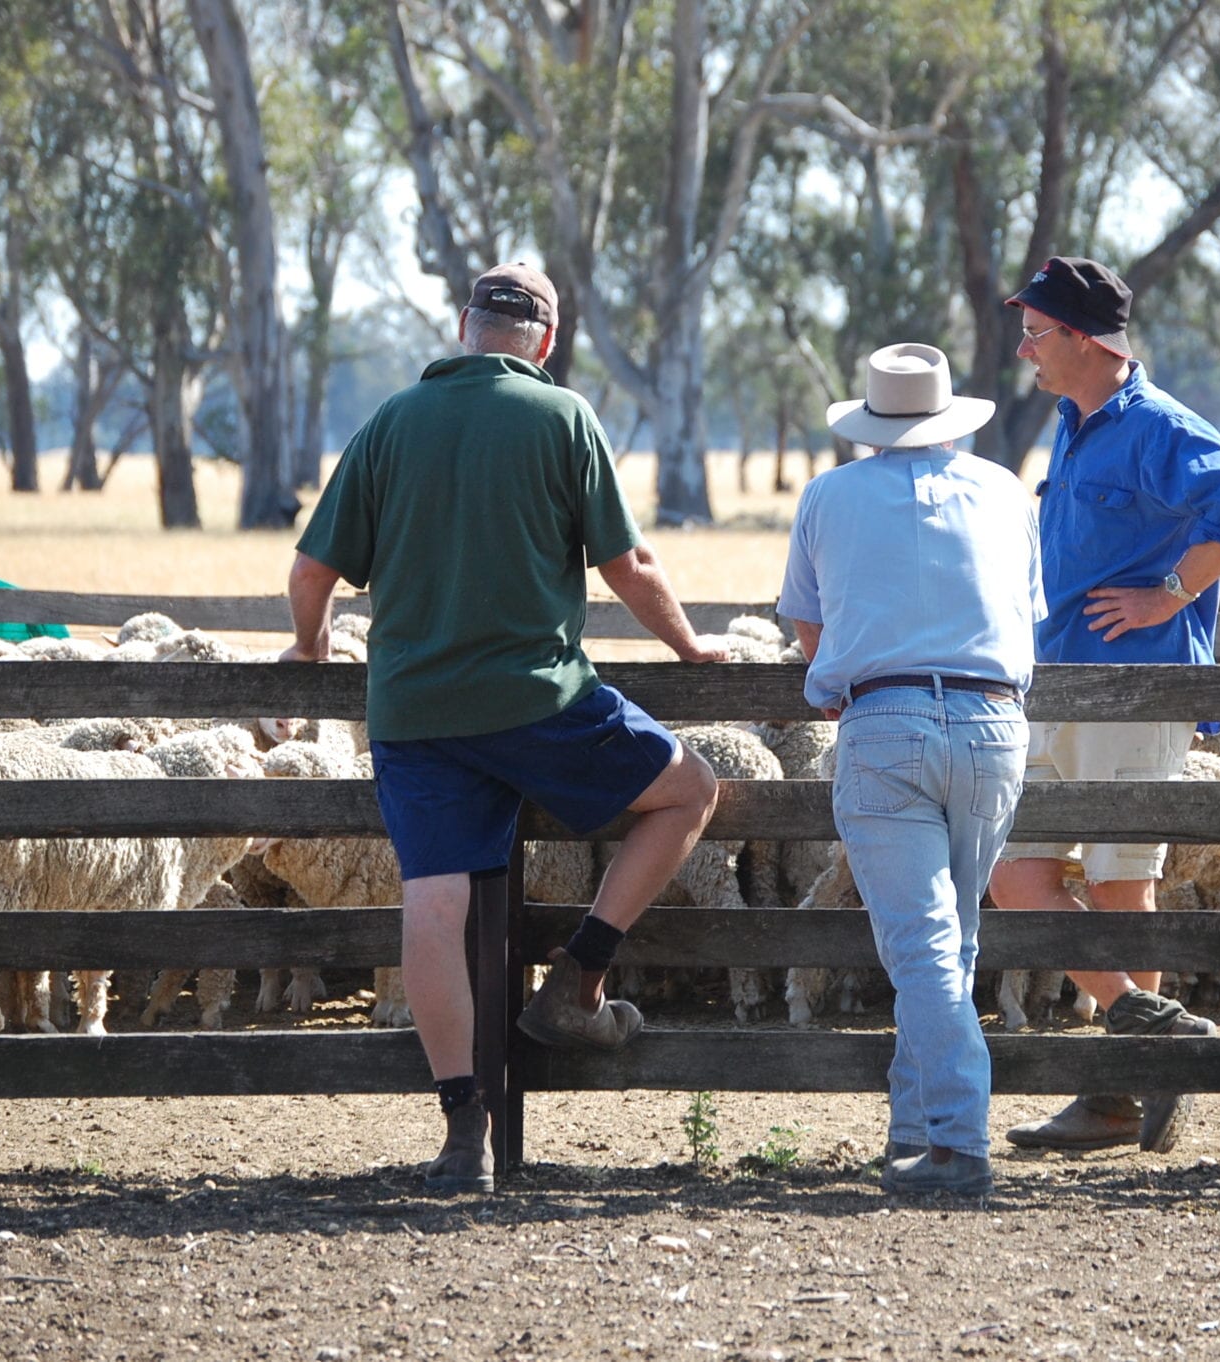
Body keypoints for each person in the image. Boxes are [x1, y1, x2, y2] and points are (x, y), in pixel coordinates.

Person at [282, 262, 728, 1196]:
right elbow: (628, 565)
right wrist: (690, 648)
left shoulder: (393, 421)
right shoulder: (563, 418)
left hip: (415, 715)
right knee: (689, 789)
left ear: (464, 324)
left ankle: (462, 1136)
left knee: (435, 912)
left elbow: (313, 570)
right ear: (547, 342)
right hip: (538, 704)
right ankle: (578, 979)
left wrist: (311, 651)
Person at [989, 256, 1220, 1156]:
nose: (1024, 348)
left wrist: (1170, 597)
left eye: (1036, 332)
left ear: (1083, 338)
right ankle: (1153, 1030)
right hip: (1061, 682)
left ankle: (1115, 1099)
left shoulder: (1158, 426)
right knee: (1016, 873)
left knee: (1119, 883)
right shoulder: (1073, 423)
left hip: (1136, 688)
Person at [778, 342, 1042, 1197]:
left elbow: (809, 631)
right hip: (994, 721)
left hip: (886, 723)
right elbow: (1023, 611)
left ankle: (960, 1145)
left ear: (872, 421)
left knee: (923, 947)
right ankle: (914, 1133)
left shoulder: (828, 496)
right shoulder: (1004, 491)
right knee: (948, 943)